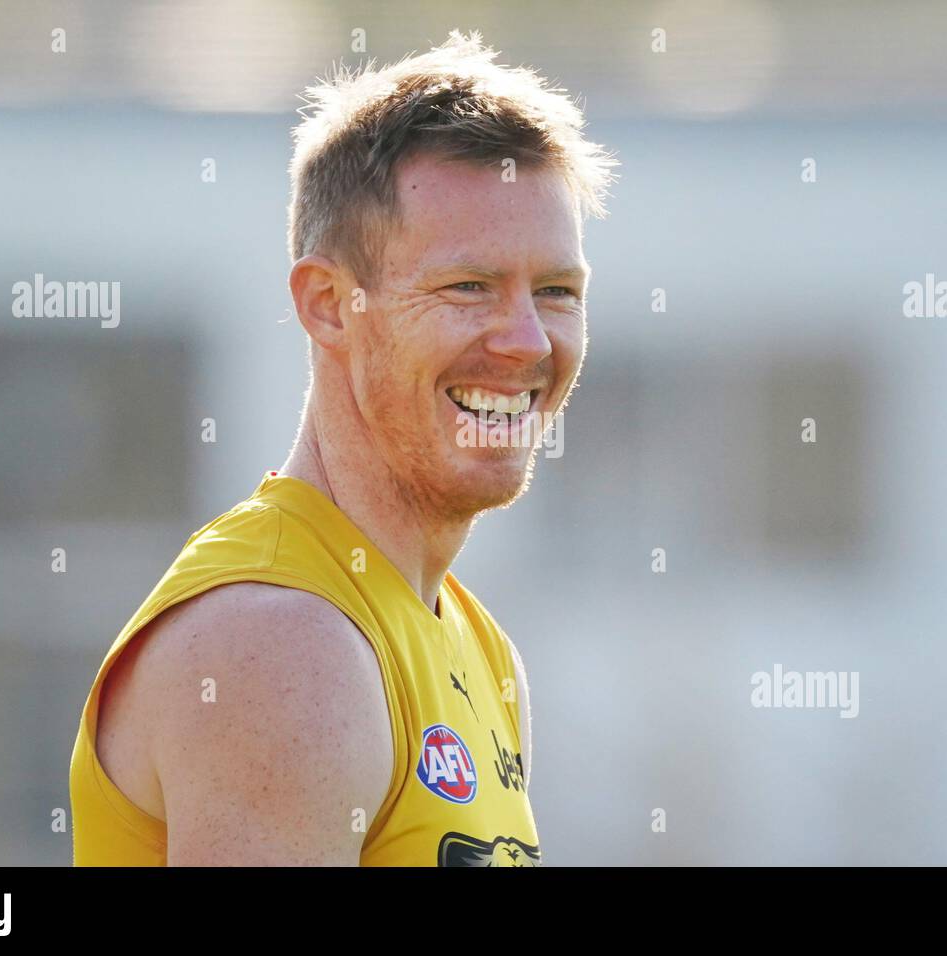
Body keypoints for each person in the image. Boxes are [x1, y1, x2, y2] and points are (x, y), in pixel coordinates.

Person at [69, 29, 616, 866]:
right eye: (468, 287)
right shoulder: (285, 646)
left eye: (555, 292)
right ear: (330, 304)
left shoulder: (478, 646)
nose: (527, 341)